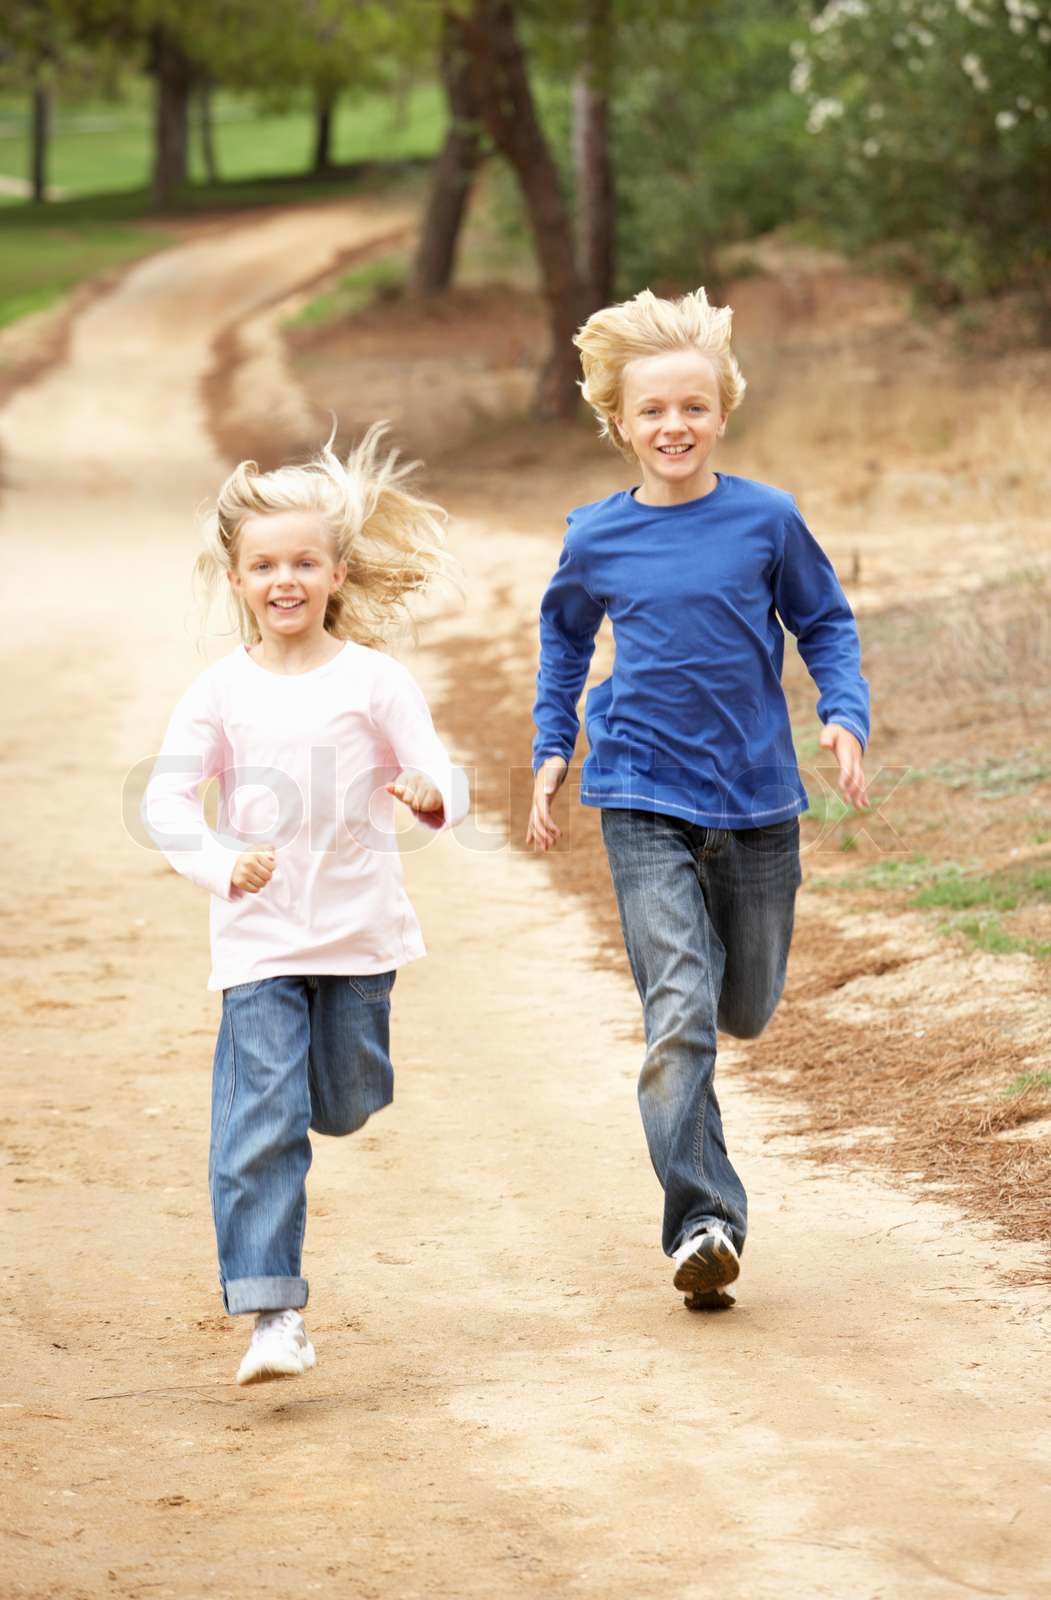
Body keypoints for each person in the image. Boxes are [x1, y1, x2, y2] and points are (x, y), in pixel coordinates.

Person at [527, 288, 869, 1311]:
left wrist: (841, 712)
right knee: (679, 1019)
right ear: (618, 422)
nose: (671, 426)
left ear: (721, 410)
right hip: (640, 791)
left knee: (743, 1004)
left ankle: (710, 1061)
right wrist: (553, 745)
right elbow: (562, 640)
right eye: (650, 411)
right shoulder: (595, 535)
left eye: (691, 406)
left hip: (758, 798)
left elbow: (826, 624)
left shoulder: (766, 518)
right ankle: (703, 1223)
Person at [143, 426, 467, 1382]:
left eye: (303, 563)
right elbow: (164, 801)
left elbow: (437, 766)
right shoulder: (218, 692)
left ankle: (340, 1098)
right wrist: (217, 859)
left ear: (334, 573)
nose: (284, 580)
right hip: (258, 944)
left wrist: (427, 792)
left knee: (347, 1100)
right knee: (260, 1125)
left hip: (361, 939)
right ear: (236, 578)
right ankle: (271, 1312)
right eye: (263, 565)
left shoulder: (374, 678)